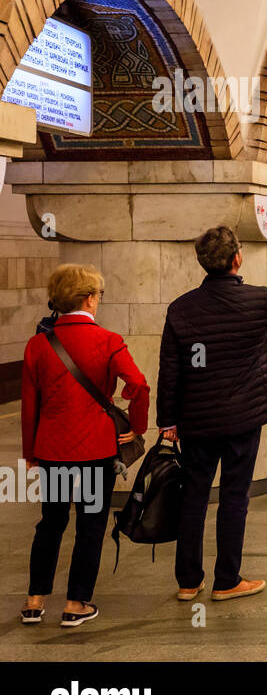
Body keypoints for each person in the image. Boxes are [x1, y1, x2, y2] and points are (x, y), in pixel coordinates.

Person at [158, 226, 267, 602]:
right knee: (235, 496)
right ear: (237, 259)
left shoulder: (181, 308)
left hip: (196, 421)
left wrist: (167, 421)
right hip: (243, 418)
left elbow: (170, 369)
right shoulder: (256, 300)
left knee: (194, 496)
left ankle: (188, 581)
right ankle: (227, 579)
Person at [20, 265, 150, 628]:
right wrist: (135, 426)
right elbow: (138, 385)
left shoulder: (38, 344)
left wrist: (31, 452)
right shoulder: (108, 341)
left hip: (53, 451)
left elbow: (30, 405)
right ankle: (76, 603)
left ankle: (34, 601)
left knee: (51, 522)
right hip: (94, 452)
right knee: (90, 524)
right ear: (90, 298)